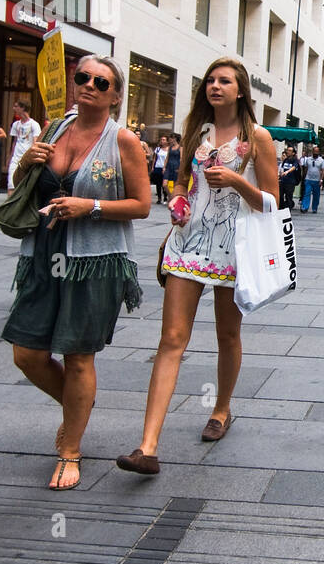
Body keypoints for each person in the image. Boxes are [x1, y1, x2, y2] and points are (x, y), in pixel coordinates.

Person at [117, 58, 278, 476]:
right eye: (210, 79)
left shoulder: (257, 137)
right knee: (171, 338)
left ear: (241, 90)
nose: (215, 86)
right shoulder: (196, 133)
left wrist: (240, 181)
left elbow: (274, 203)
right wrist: (178, 199)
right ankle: (147, 446)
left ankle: (222, 409)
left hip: (233, 248)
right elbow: (182, 181)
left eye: (224, 81)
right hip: (188, 242)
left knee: (228, 334)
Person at [5, 55, 150, 489]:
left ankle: (70, 449)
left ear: (115, 95)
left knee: (77, 355)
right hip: (43, 252)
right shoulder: (53, 129)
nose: (88, 85)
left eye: (100, 82)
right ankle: (78, 404)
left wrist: (91, 206)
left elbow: (142, 205)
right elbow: (20, 186)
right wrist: (25, 162)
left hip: (95, 260)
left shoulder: (122, 140)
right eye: (82, 77)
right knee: (26, 353)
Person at [300, 144, 324, 213]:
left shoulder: (321, 160)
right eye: (314, 151)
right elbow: (305, 168)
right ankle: (305, 207)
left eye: (317, 152)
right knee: (307, 193)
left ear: (319, 152)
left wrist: (321, 180)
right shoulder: (308, 159)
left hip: (317, 180)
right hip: (308, 179)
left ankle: (314, 208)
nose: (315, 153)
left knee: (316, 195)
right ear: (312, 152)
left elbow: (323, 170)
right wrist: (304, 177)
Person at [278, 143, 301, 209]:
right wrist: (280, 174)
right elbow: (282, 169)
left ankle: (288, 211)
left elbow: (294, 167)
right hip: (283, 181)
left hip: (290, 182)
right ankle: (281, 209)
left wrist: (287, 171)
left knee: (288, 197)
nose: (288, 151)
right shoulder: (285, 160)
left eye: (290, 150)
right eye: (287, 150)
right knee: (280, 196)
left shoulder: (295, 160)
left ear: (293, 153)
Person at [150, 135, 170, 203]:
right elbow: (154, 158)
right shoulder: (158, 149)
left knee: (164, 183)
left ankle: (165, 197)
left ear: (167, 141)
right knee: (158, 184)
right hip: (158, 167)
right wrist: (153, 167)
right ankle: (159, 198)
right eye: (161, 139)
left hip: (165, 168)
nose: (162, 141)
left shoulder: (169, 149)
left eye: (164, 140)